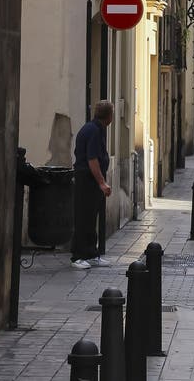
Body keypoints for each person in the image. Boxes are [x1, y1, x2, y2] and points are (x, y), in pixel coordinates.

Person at [71, 100, 114, 269]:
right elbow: (92, 159)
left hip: (90, 180)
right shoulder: (94, 131)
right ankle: (77, 256)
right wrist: (102, 183)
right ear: (109, 116)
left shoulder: (95, 128)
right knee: (83, 217)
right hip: (86, 180)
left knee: (91, 218)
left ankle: (91, 253)